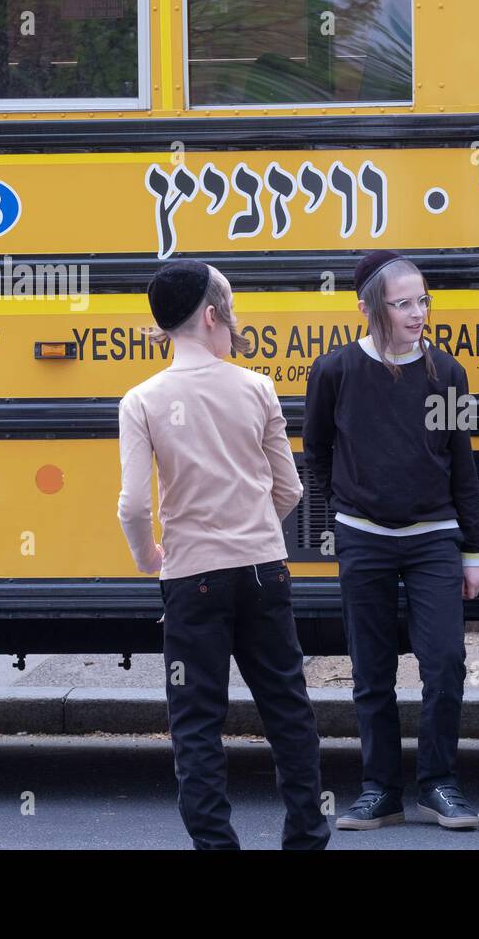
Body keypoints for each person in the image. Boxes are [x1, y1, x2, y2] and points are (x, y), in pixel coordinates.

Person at [117, 260, 329, 850]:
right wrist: (255, 529)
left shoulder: (142, 400)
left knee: (197, 723)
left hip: (191, 579)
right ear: (212, 317)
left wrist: (147, 557)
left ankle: (216, 844)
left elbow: (134, 505)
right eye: (229, 310)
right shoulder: (256, 386)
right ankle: (307, 835)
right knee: (288, 708)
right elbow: (290, 489)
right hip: (264, 571)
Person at [303, 250, 479, 831]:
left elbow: (461, 464)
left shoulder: (446, 372)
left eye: (423, 300)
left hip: (434, 538)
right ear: (367, 308)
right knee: (371, 670)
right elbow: (317, 454)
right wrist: (344, 513)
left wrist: (473, 551)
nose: (417, 312)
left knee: (446, 662)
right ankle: (380, 789)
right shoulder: (334, 372)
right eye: (403, 302)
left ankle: (439, 785)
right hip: (363, 539)